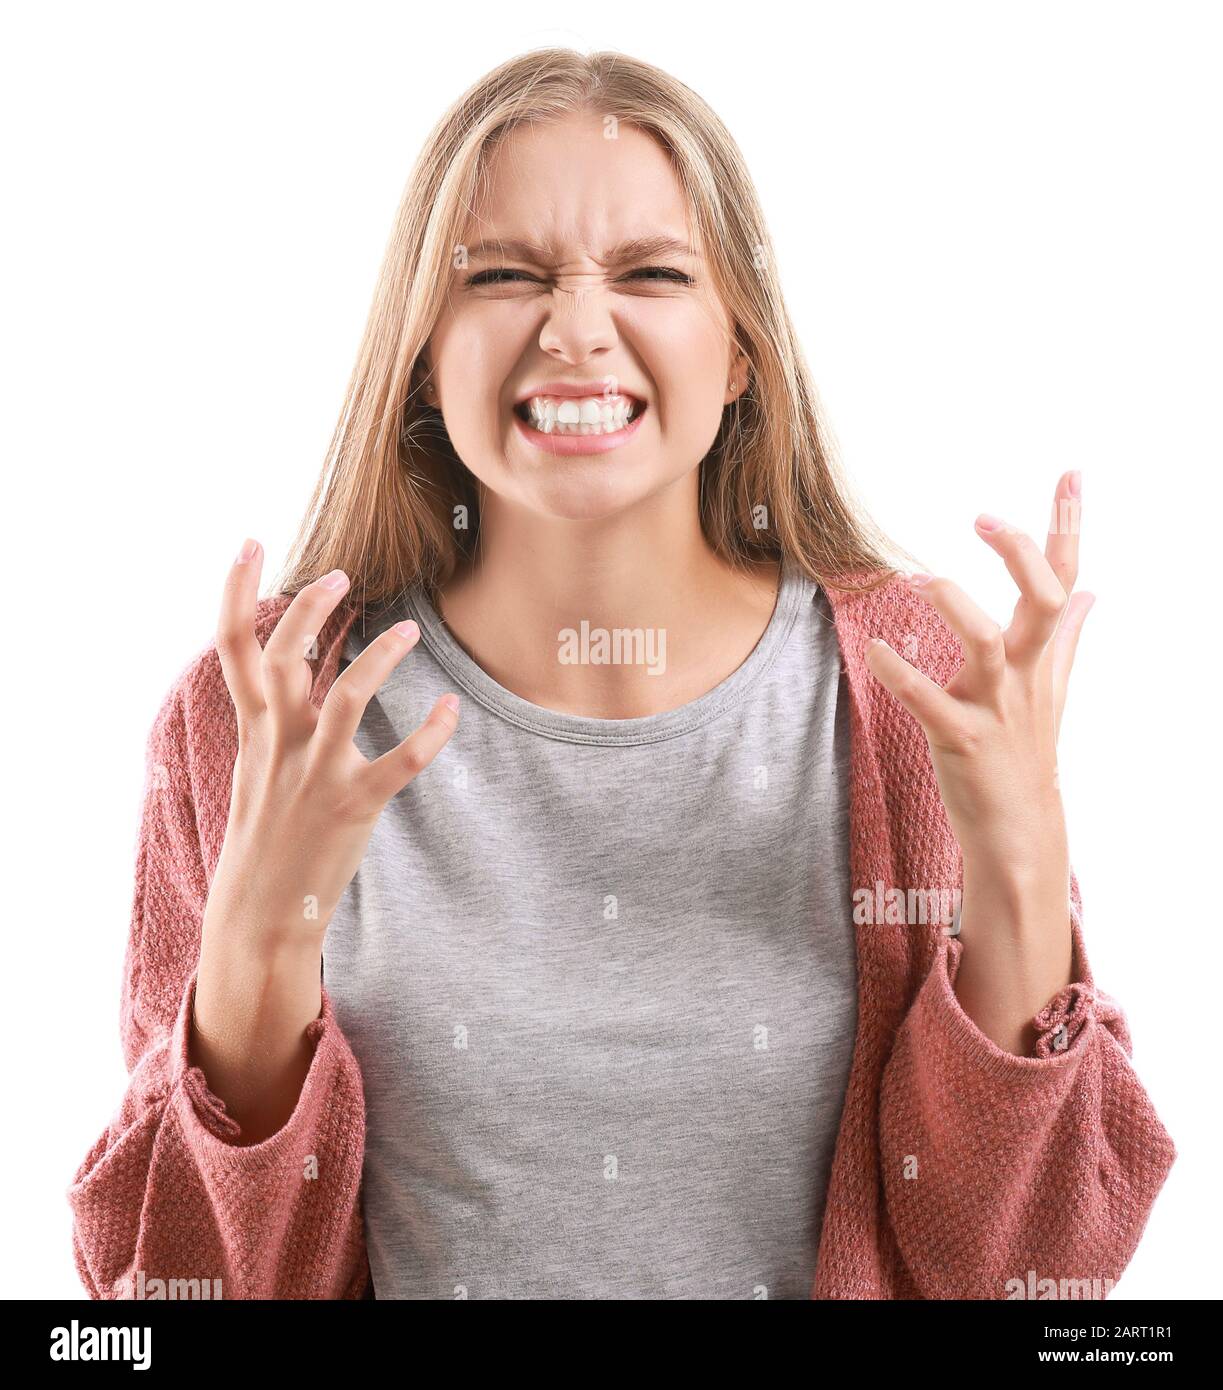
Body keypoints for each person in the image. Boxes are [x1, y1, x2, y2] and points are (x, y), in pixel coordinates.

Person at [69, 48, 1176, 1301]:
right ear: (424, 355)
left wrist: (1021, 880)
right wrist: (257, 954)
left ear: (743, 352)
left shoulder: (914, 690)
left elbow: (1029, 1278)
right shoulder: (256, 716)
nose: (576, 329)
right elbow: (168, 1297)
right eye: (501, 276)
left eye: (650, 273)